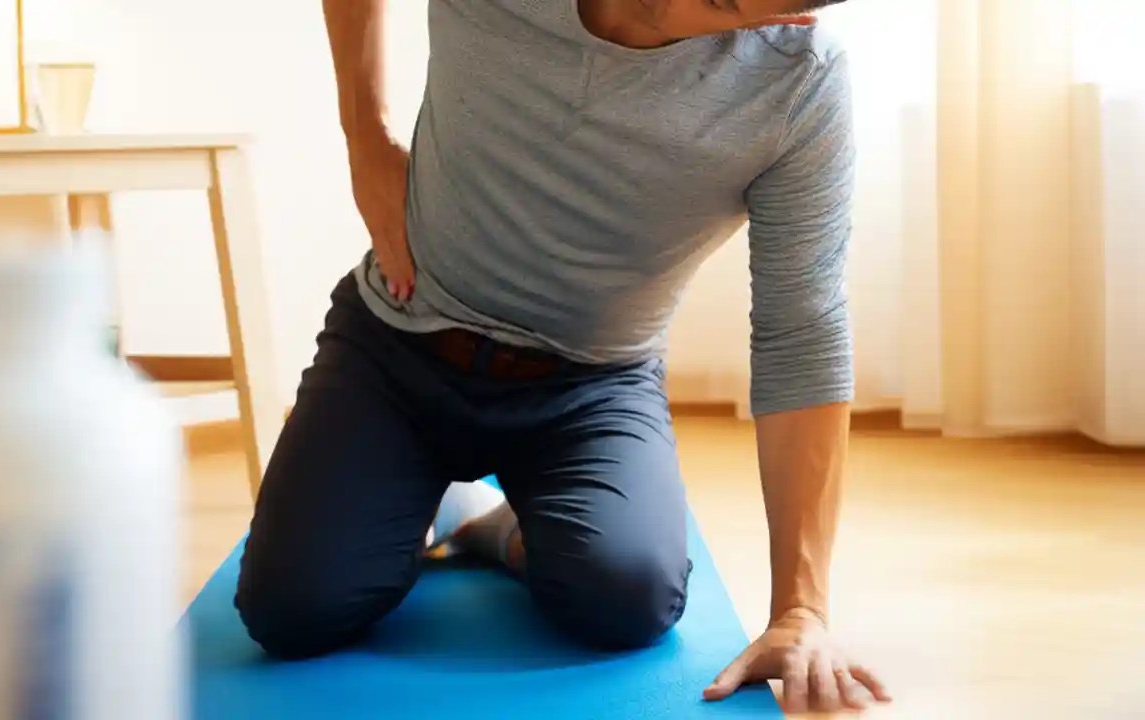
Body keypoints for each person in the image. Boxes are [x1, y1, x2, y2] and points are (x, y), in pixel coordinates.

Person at [235, 0, 891, 713]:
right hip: (397, 346)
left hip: (592, 385)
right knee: (292, 609)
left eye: (720, 2)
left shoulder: (799, 84)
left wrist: (801, 610)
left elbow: (803, 330)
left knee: (627, 600)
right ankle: (426, 495)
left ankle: (490, 524)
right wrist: (365, 131)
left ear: (787, 16)